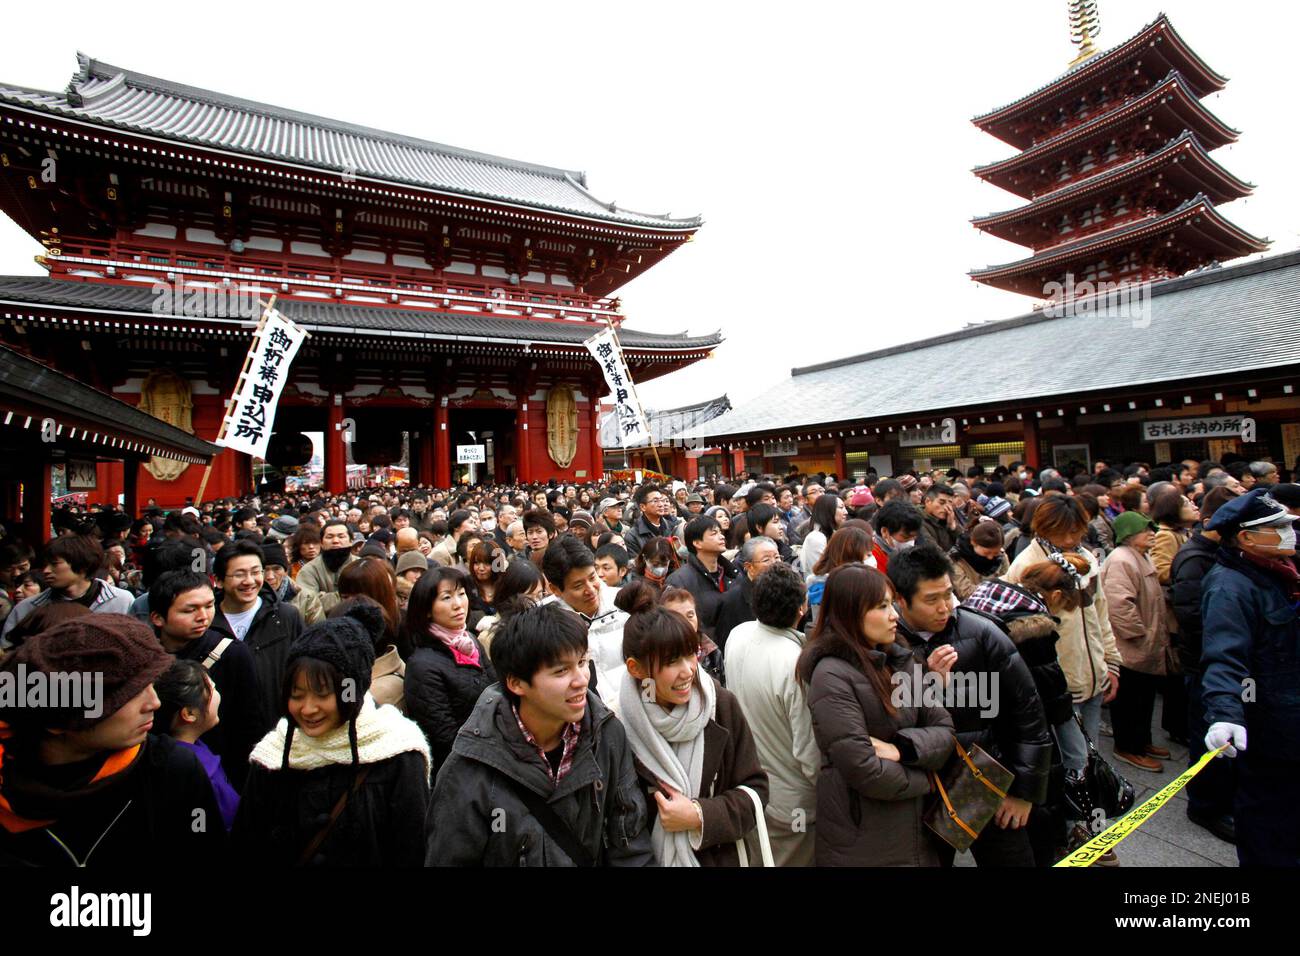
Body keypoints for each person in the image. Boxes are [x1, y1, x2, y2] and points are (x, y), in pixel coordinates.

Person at [425, 601, 655, 866]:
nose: (581, 679)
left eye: (582, 661)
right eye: (561, 671)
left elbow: (629, 843)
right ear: (517, 683)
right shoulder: (470, 767)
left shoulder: (606, 735)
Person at [0, 614, 225, 866]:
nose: (155, 702)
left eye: (152, 684)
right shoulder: (7, 786)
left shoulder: (173, 772)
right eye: (131, 692)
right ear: (59, 720)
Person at [888, 544, 1051, 866]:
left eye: (947, 595)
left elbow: (1028, 714)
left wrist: (1024, 792)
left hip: (985, 779)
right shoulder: (887, 642)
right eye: (931, 600)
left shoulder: (983, 634)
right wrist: (925, 677)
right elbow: (885, 718)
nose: (944, 607)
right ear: (901, 600)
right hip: (921, 787)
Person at [798, 565, 955, 866]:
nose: (894, 615)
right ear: (851, 612)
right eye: (881, 606)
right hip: (864, 838)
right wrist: (929, 779)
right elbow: (864, 769)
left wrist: (901, 749)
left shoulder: (899, 659)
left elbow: (944, 729)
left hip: (918, 831)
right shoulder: (831, 674)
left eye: (892, 604)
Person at [614, 582, 768, 866]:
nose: (688, 671)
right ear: (636, 668)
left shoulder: (720, 705)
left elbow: (755, 789)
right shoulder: (617, 727)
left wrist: (700, 815)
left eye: (691, 654)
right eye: (672, 661)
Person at [1199, 488, 1300, 866]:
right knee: (1269, 821)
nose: (1290, 533)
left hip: (1290, 713)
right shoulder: (1230, 586)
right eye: (1278, 527)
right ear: (1246, 536)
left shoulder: (1281, 571)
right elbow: (1225, 658)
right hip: (1269, 724)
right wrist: (1227, 713)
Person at [1004, 496, 1121, 763]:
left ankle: (1091, 800)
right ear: (1042, 528)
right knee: (1073, 759)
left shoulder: (1086, 559)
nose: (1069, 539)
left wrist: (1111, 661)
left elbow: (1100, 612)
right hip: (1058, 685)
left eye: (1075, 531)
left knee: (1091, 756)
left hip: (1093, 674)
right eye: (1060, 532)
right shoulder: (1026, 566)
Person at [724, 563, 820, 866]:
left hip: (748, 786)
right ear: (801, 608)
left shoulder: (737, 635)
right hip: (792, 800)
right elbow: (809, 754)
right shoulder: (795, 664)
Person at [149, 569, 266, 789]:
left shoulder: (231, 653)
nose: (203, 616)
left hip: (217, 774)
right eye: (190, 610)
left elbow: (248, 725)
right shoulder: (144, 656)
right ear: (158, 618)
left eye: (209, 605)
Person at [1169, 486, 1238, 843]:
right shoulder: (1196, 557)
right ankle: (1205, 804)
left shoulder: (1220, 553)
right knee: (1207, 732)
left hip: (1219, 661)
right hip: (1205, 661)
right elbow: (1192, 615)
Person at [402, 567, 498, 774]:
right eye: (446, 598)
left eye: (461, 594)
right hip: (465, 770)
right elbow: (445, 738)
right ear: (427, 609)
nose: (458, 604)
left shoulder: (469, 640)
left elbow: (496, 689)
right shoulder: (422, 666)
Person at [1099, 512, 1171, 773]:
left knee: (1144, 697)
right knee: (1130, 699)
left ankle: (1143, 741)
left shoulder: (1141, 555)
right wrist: (1138, 633)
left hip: (1146, 641)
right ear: (1129, 534)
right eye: (1145, 530)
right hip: (1131, 644)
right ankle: (1128, 746)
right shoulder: (1121, 560)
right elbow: (1119, 604)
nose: (1152, 534)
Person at [208, 539, 304, 729]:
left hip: (277, 729)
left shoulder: (286, 616)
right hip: (223, 733)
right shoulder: (207, 622)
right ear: (218, 580)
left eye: (255, 572)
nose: (250, 581)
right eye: (239, 574)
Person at [154, 658, 240, 831]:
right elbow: (202, 832)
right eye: (212, 688)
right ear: (189, 713)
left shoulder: (166, 753)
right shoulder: (198, 775)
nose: (217, 693)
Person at [1, 536, 134, 647]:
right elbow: (9, 654)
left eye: (54, 564)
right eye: (45, 564)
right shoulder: (28, 607)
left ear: (82, 565)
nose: (46, 571)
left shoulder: (121, 601)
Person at [664, 515, 738, 636]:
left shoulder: (733, 573)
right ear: (697, 543)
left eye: (720, 532)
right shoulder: (679, 581)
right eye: (714, 533)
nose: (722, 536)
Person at [713, 536, 781, 649]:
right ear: (749, 566)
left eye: (777, 557)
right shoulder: (732, 600)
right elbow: (725, 643)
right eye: (766, 560)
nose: (775, 563)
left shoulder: (786, 591)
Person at [295, 519, 358, 615]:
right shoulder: (309, 570)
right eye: (330, 537)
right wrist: (347, 597)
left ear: (351, 541)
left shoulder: (362, 565)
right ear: (321, 543)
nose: (336, 541)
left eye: (341, 536)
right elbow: (307, 603)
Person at [262, 541, 323, 626]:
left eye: (276, 569)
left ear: (286, 571)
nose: (270, 576)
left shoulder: (307, 598)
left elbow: (317, 632)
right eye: (264, 570)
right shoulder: (250, 599)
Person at [948, 517, 1009, 601]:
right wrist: (997, 588)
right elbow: (965, 592)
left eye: (995, 553)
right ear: (973, 542)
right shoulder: (955, 558)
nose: (990, 557)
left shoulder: (1001, 556)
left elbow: (1008, 580)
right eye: (986, 553)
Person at [622, 485, 681, 560]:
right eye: (655, 501)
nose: (661, 505)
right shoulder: (632, 536)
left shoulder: (673, 527)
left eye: (662, 500)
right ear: (643, 507)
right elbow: (636, 565)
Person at [799, 492, 847, 583]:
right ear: (828, 511)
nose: (846, 512)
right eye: (841, 508)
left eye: (845, 507)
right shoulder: (816, 538)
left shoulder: (832, 535)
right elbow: (821, 573)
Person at [919, 483, 959, 552]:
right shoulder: (919, 522)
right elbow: (936, 553)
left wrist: (953, 527)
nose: (947, 508)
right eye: (941, 503)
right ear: (928, 501)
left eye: (950, 503)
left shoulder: (949, 518)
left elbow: (965, 544)